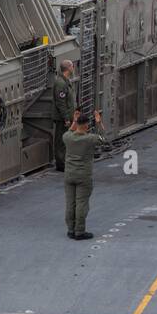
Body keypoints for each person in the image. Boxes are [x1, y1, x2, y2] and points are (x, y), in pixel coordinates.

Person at [62, 109, 104, 240]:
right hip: (83, 176)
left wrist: (74, 120)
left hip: (69, 175)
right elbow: (103, 138)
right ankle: (79, 231)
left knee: (70, 203)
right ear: (86, 125)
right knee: (81, 203)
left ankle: (70, 229)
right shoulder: (89, 139)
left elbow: (70, 130)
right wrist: (98, 122)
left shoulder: (67, 138)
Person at [51, 60, 76, 172]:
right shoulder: (61, 83)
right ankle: (61, 164)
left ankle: (65, 162)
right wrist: (66, 118)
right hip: (62, 118)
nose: (73, 67)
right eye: (72, 66)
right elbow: (60, 103)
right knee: (61, 141)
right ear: (68, 68)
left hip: (68, 117)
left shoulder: (65, 81)